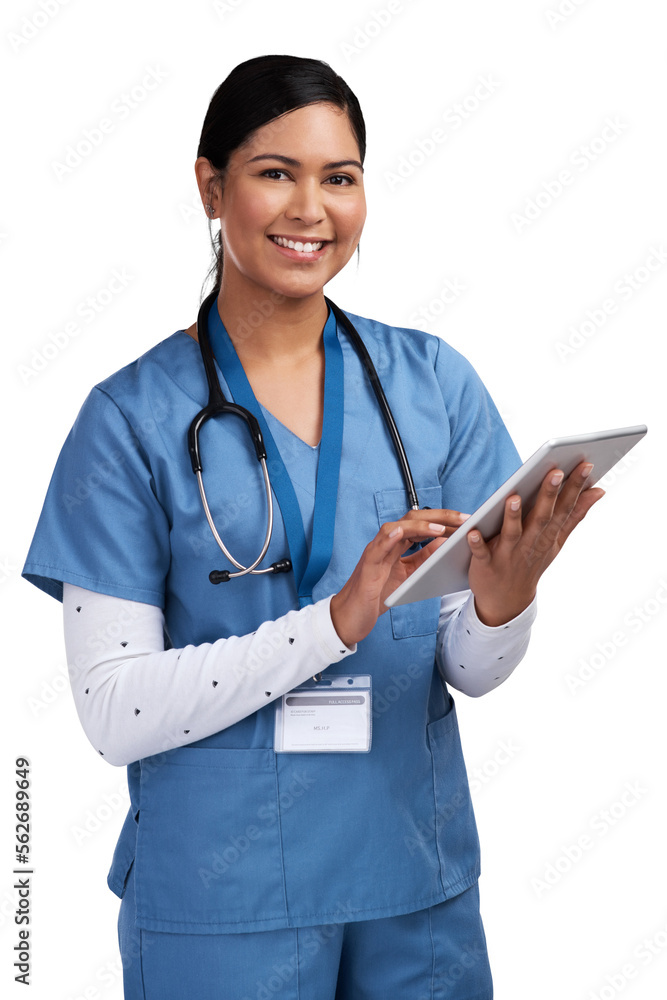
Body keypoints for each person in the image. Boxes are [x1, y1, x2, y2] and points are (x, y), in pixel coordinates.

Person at [22, 54, 604, 999]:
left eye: (339, 177)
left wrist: (505, 604)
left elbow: (470, 670)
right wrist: (333, 622)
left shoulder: (433, 384)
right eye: (274, 172)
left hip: (413, 891)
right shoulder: (128, 420)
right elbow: (113, 712)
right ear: (211, 187)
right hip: (223, 906)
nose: (311, 210)